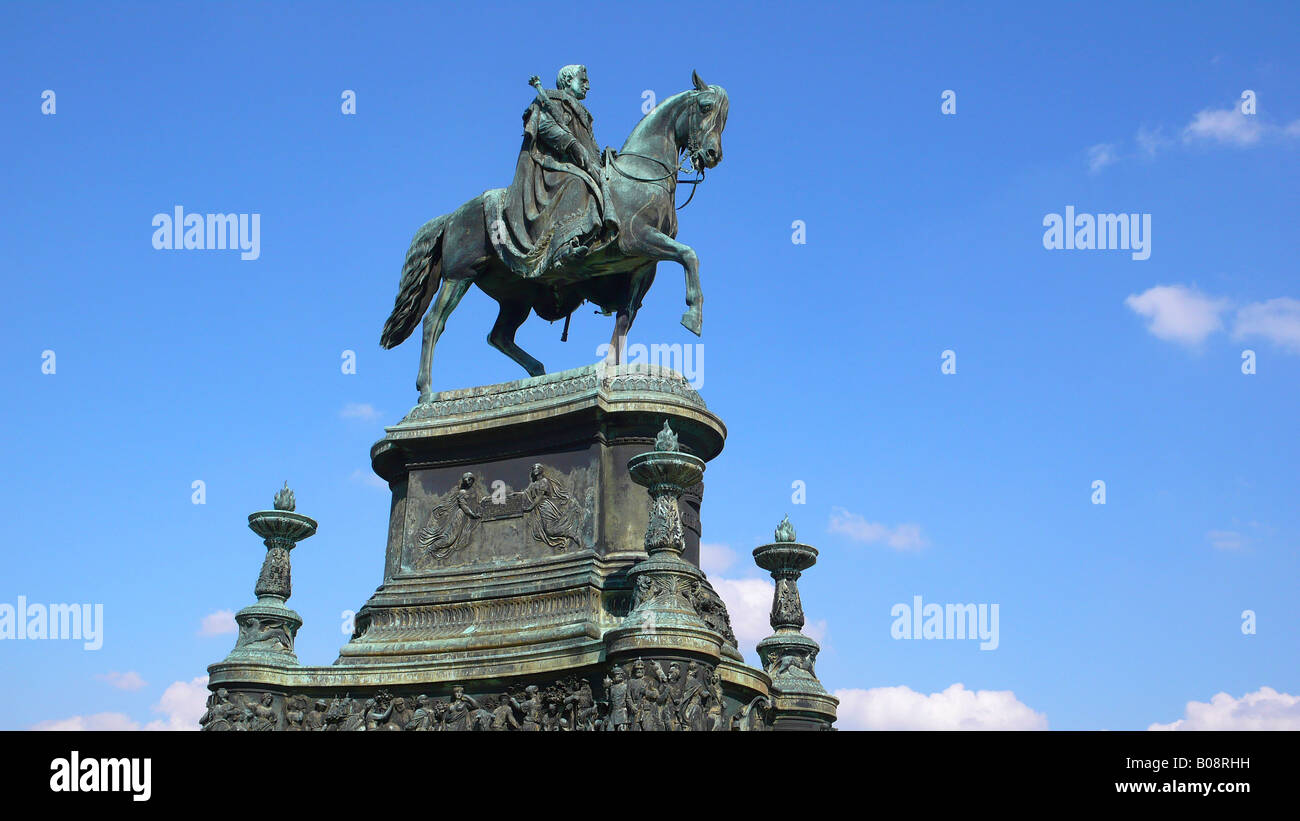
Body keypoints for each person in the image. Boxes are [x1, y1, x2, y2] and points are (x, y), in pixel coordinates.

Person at [493, 64, 617, 280]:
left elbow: (590, 148)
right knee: (576, 184)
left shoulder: (583, 113)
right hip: (551, 164)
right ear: (568, 81)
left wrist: (604, 157)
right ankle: (562, 246)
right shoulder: (551, 99)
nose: (588, 86)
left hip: (582, 165)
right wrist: (570, 144)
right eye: (583, 81)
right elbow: (541, 125)